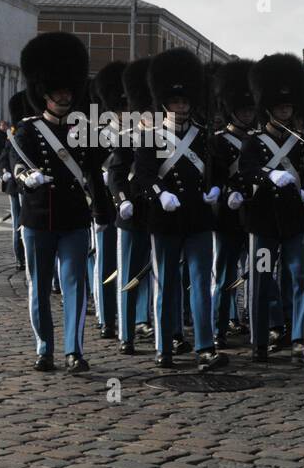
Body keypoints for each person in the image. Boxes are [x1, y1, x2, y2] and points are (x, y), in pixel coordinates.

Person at [10, 31, 108, 373]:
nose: (65, 97)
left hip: (73, 218)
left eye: (69, 91)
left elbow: (96, 169)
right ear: (44, 94)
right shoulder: (27, 130)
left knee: (75, 286)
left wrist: (103, 206)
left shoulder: (84, 130)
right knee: (38, 289)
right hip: (37, 219)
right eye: (58, 92)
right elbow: (16, 165)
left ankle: (74, 350)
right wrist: (27, 178)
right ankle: (44, 348)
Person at [132, 48, 228, 371]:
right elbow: (142, 175)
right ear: (164, 103)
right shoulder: (150, 137)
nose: (181, 107)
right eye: (176, 102)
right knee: (166, 283)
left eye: (185, 102)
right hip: (166, 219)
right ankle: (164, 347)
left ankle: (205, 346)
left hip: (198, 217)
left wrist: (216, 188)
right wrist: (159, 194)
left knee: (201, 282)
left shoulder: (203, 137)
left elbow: (216, 171)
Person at [238, 53, 304, 363]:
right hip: (265, 220)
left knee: (300, 277)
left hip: (295, 220)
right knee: (262, 278)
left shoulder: (301, 142)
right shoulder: (254, 141)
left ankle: (298, 336)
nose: (286, 111)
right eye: (281, 108)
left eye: (289, 107)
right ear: (269, 109)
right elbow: (246, 171)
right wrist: (270, 175)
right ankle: (258, 340)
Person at [207, 60, 257, 349]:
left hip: (254, 213)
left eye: (251, 110)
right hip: (227, 216)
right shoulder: (218, 142)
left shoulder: (259, 141)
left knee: (259, 273)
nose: (248, 115)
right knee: (224, 274)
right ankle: (219, 325)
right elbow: (214, 176)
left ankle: (260, 322)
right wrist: (226, 191)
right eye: (244, 110)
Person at [111, 58, 155, 355]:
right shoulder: (127, 138)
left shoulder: (168, 138)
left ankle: (149, 321)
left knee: (158, 275)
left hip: (162, 214)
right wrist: (123, 200)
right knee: (129, 274)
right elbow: (116, 173)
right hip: (133, 212)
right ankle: (126, 331)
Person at [89, 60, 127, 341]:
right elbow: (89, 174)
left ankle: (134, 317)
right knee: (106, 263)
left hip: (131, 206)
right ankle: (107, 317)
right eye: (120, 107)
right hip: (105, 205)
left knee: (131, 265)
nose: (125, 112)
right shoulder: (97, 134)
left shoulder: (141, 135)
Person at [0, 92, 30, 270]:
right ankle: (20, 257)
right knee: (18, 223)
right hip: (14, 186)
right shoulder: (13, 134)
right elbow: (5, 157)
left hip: (30, 186)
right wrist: (5, 172)